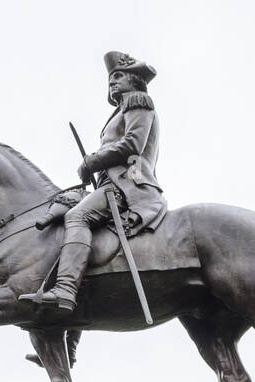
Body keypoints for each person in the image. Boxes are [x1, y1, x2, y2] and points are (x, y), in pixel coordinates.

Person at [21, 51, 167, 314]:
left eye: (118, 76)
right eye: (110, 78)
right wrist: (93, 170)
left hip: (130, 186)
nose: (112, 82)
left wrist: (93, 161)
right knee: (64, 206)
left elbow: (133, 144)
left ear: (134, 79)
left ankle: (65, 288)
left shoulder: (138, 101)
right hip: (111, 185)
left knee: (78, 217)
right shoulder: (119, 111)